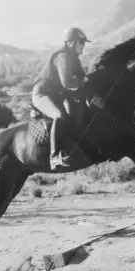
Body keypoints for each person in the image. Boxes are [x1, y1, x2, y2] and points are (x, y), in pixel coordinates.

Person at [31, 27, 90, 170]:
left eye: (84, 42)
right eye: (81, 42)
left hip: (57, 95)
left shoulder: (74, 58)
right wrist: (85, 82)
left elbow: (84, 78)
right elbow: (68, 83)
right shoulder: (63, 56)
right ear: (70, 43)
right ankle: (54, 157)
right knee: (59, 115)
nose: (83, 45)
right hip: (42, 94)